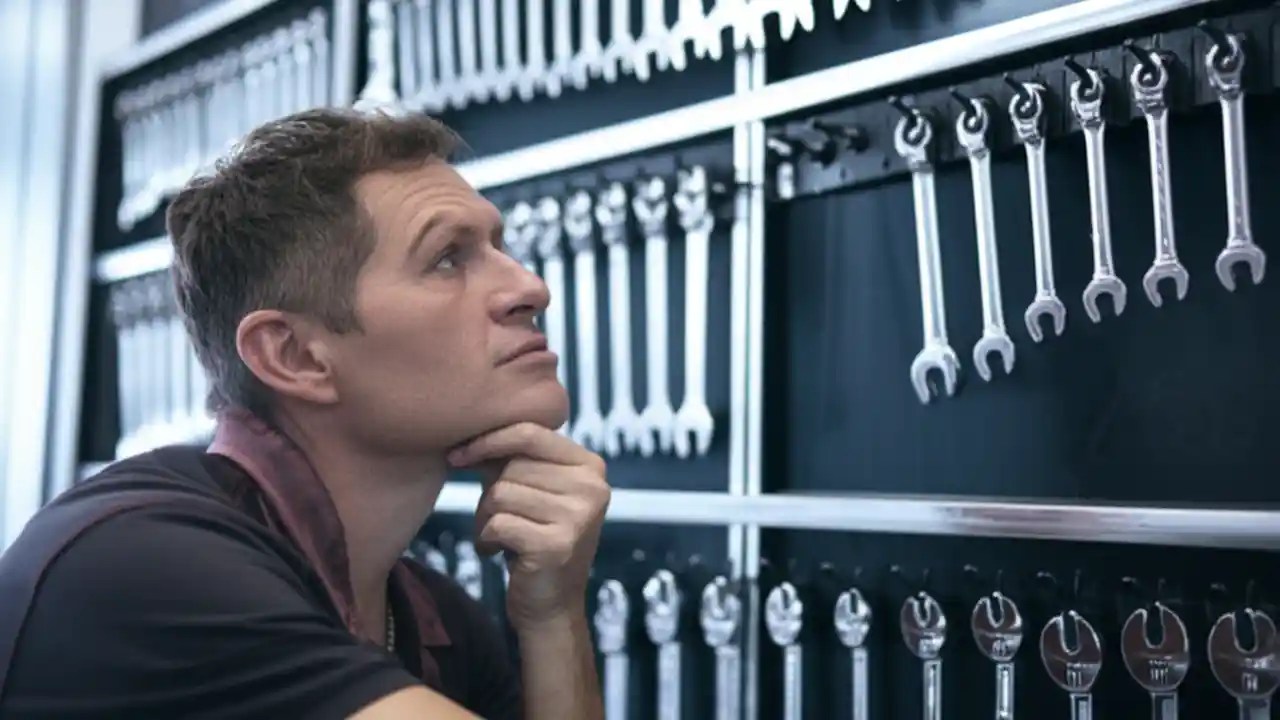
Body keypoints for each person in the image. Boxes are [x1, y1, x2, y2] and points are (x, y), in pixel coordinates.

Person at [0, 108, 610, 719]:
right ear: (294, 357)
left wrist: (554, 619)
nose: (531, 287)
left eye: (499, 247)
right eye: (448, 259)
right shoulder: (142, 565)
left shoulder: (439, 623)